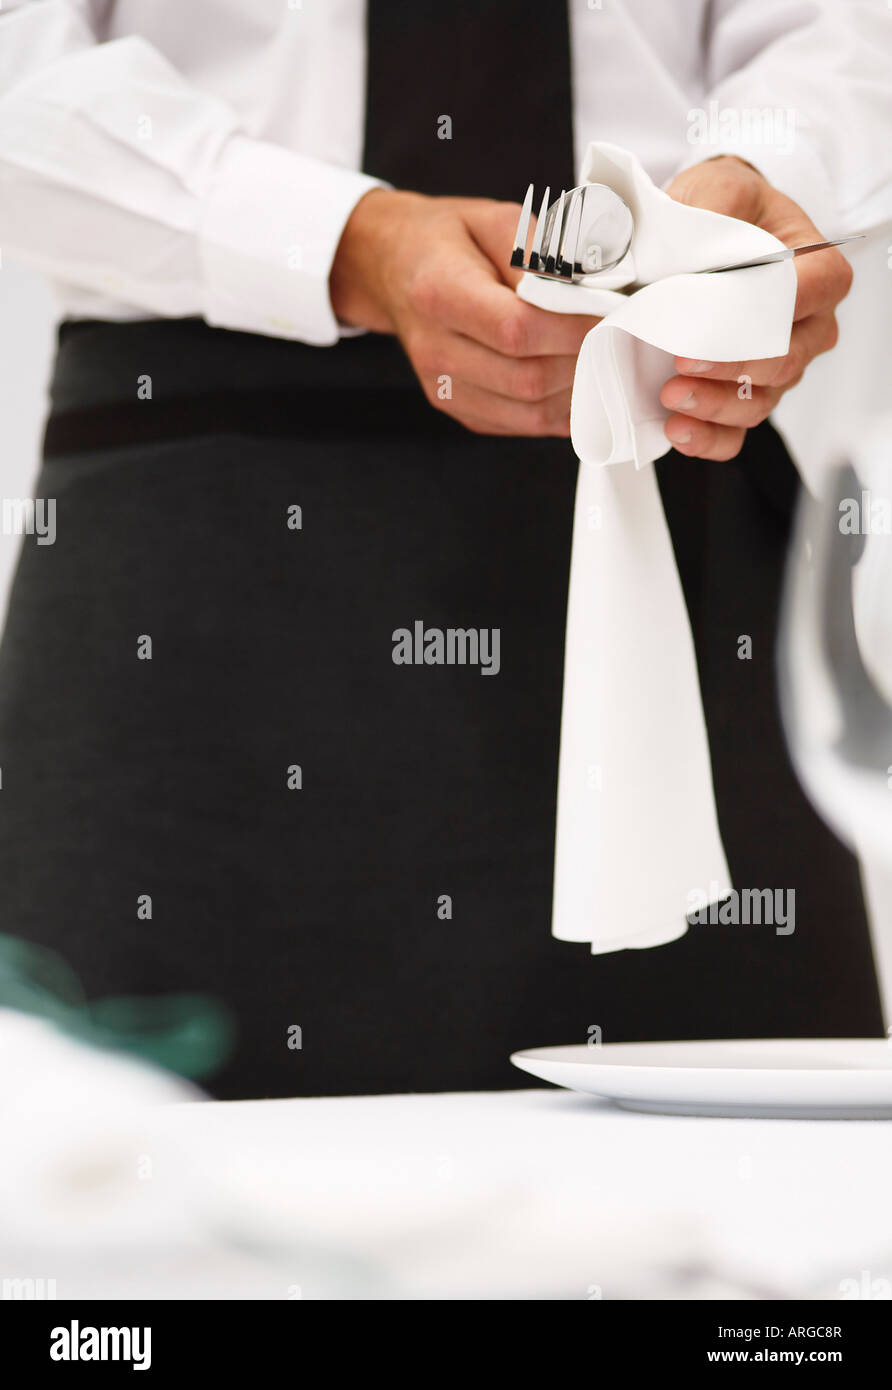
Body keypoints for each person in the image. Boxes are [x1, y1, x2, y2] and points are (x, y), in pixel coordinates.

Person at [0, 0, 890, 1098]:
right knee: (139, 1208)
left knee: (755, 1209)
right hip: (190, 555)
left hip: (671, 468)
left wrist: (766, 185)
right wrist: (339, 239)